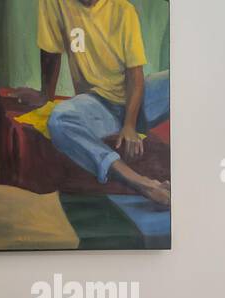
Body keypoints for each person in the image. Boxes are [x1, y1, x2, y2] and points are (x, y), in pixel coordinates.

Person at [37, 0, 170, 206]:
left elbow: (135, 78)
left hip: (136, 99)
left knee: (183, 79)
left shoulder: (124, 10)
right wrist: (45, 95)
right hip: (98, 107)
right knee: (59, 120)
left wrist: (129, 125)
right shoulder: (55, 3)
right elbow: (51, 51)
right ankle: (140, 183)